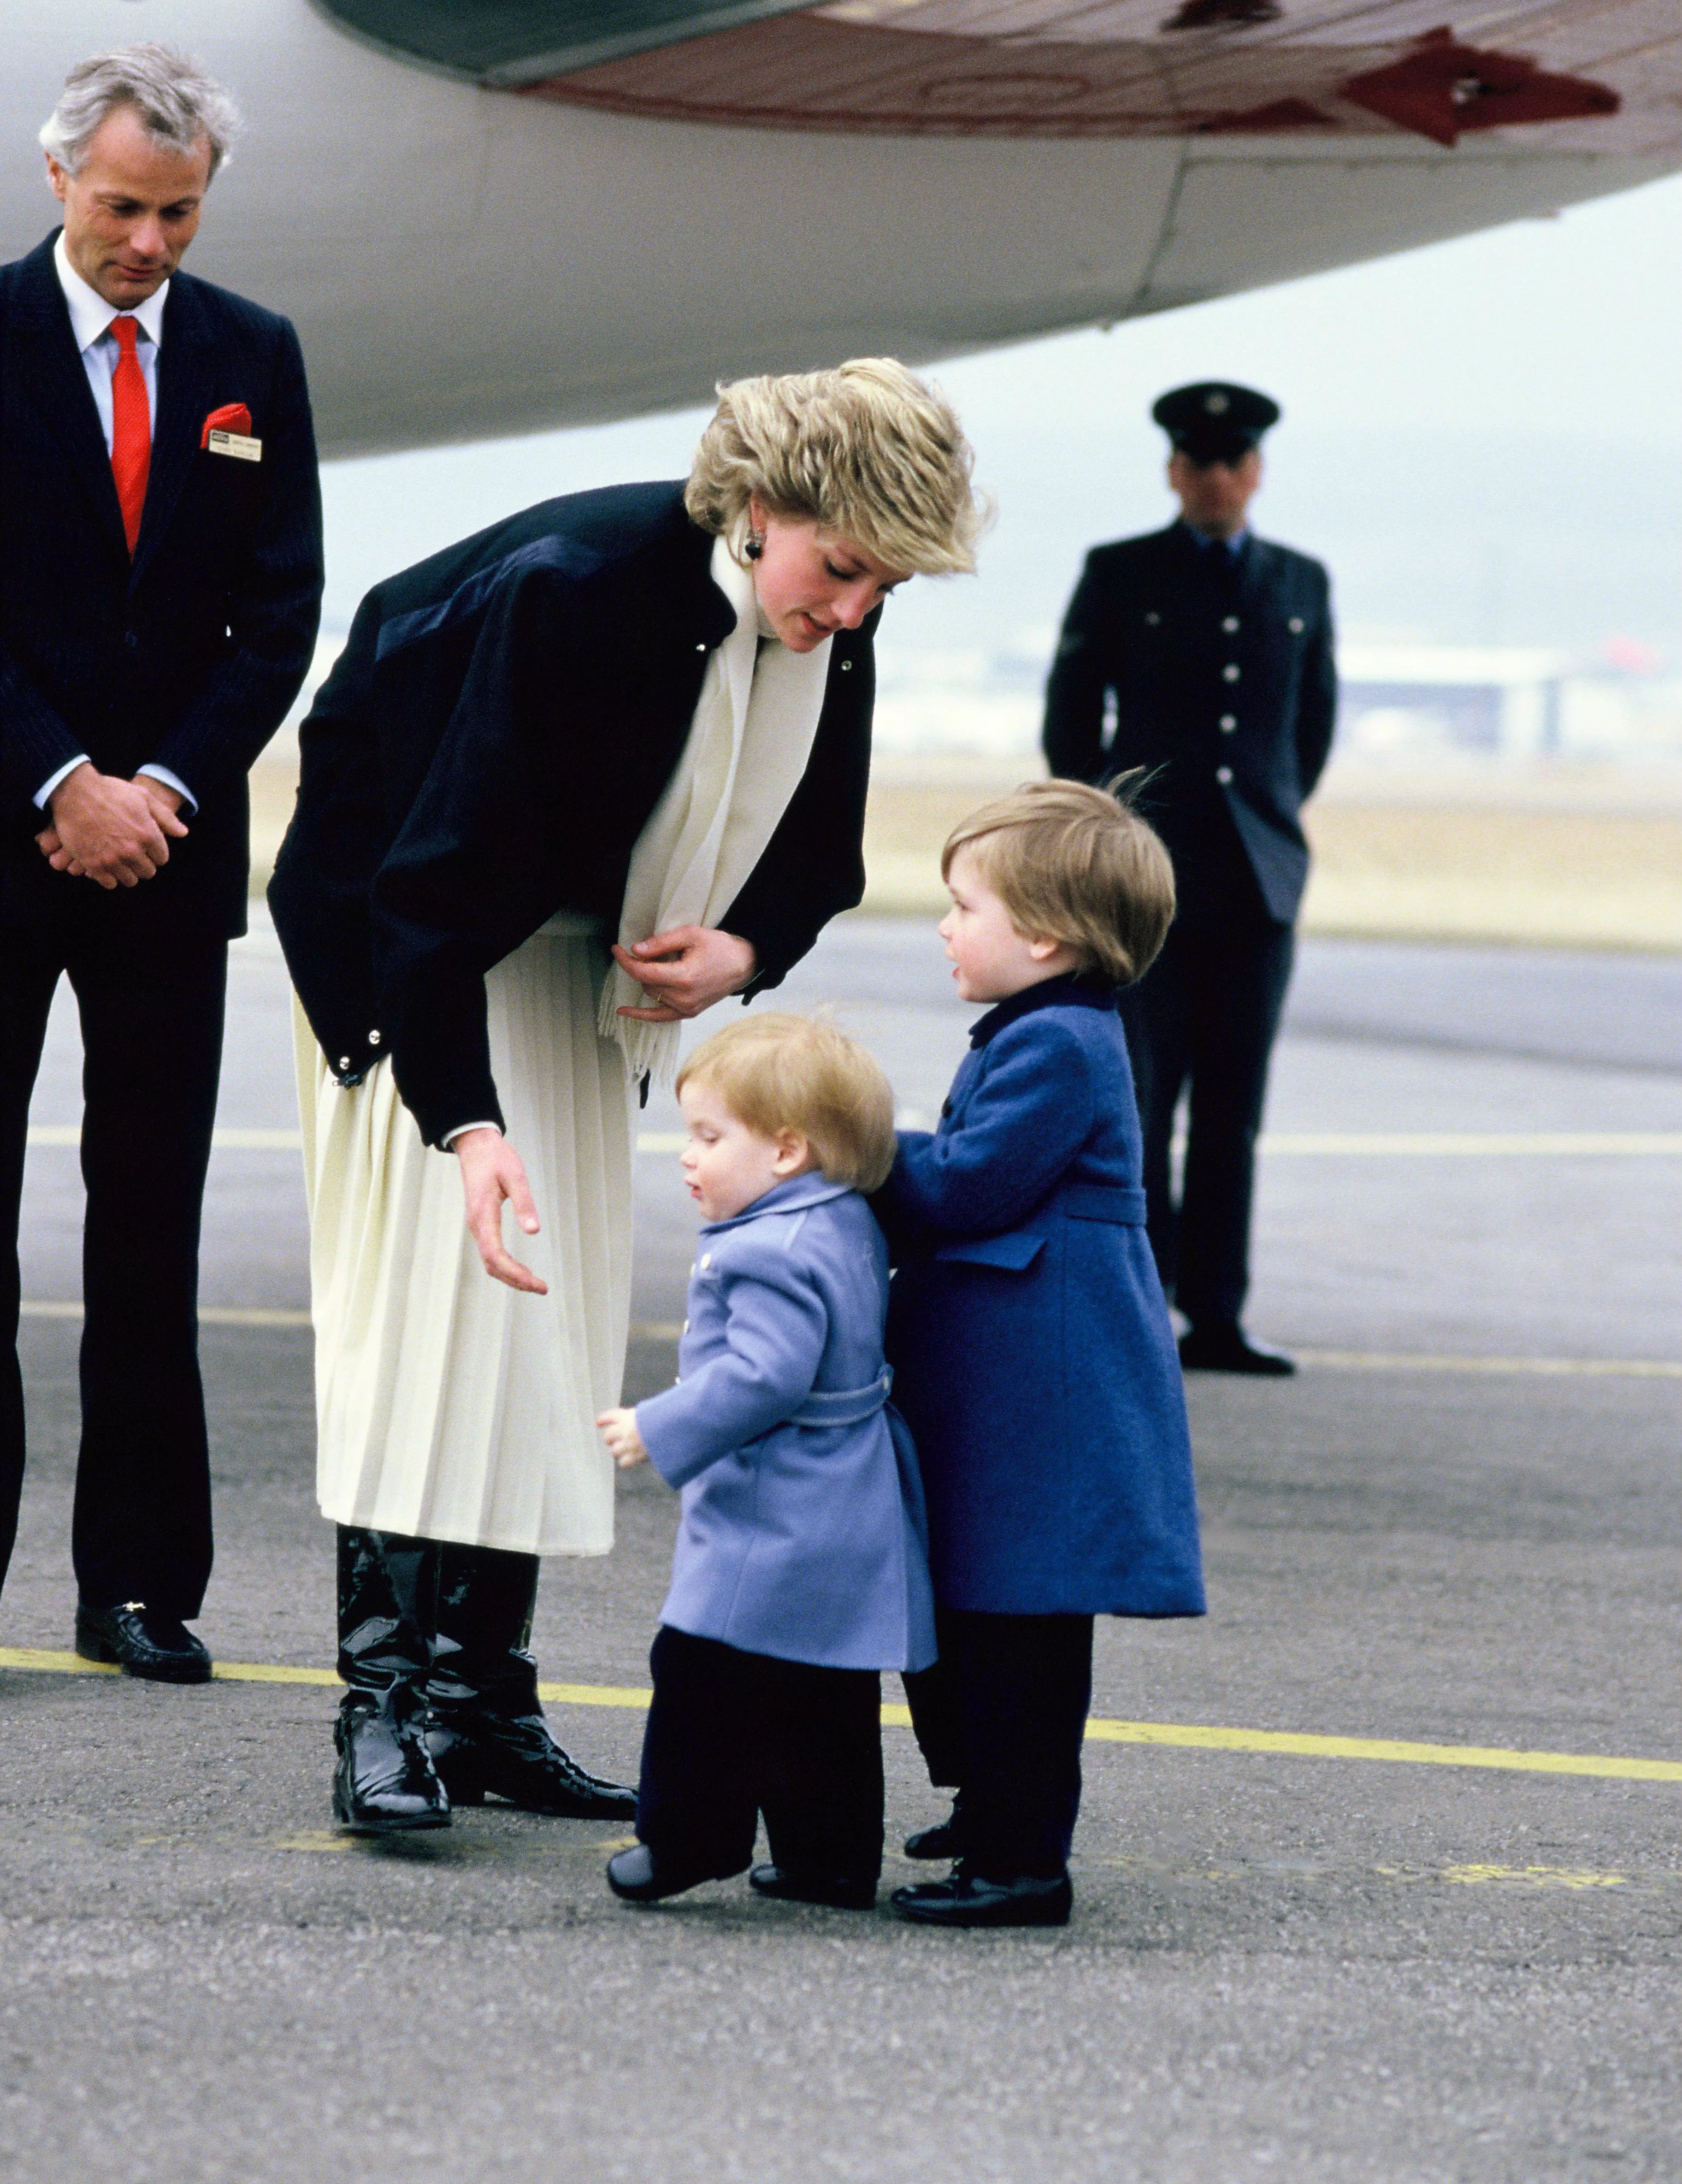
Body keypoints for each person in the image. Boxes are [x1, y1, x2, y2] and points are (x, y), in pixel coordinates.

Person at [267, 359, 981, 1835]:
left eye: (884, 587)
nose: (851, 610)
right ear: (763, 506)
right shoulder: (572, 594)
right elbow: (421, 890)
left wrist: (742, 945)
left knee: (552, 1314)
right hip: (407, 951)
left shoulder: (820, 618)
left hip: (575, 953)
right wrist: (460, 1124)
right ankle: (382, 1712)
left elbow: (822, 847)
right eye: (842, 568)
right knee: (433, 1314)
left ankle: (483, 1704)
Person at [0, 46, 323, 1677]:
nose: (148, 241)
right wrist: (60, 779)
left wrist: (166, 787)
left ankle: (136, 1583)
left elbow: (279, 619)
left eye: (178, 213)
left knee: (148, 1224)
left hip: (170, 858)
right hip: (8, 831)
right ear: (58, 179)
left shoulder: (250, 356)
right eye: (122, 206)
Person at [879, 781, 1205, 1929]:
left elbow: (967, 1188)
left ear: (1046, 936)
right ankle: (991, 1814)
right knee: (979, 1612)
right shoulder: (1044, 1027)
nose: (944, 926)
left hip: (1044, 1393)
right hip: (1011, 1381)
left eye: (964, 905)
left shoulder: (1060, 1044)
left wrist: (857, 1145)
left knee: (1021, 1629)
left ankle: (1024, 1861)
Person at [597, 1012, 934, 1909]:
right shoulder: (847, 1220)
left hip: (777, 1501)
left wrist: (659, 1427)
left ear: (787, 1151)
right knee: (822, 1689)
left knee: (702, 1670)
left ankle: (687, 1839)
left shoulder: (766, 1251)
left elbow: (764, 1376)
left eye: (709, 1136)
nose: (688, 1157)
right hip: (850, 1491)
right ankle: (831, 1858)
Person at [1042, 383, 1337, 1377]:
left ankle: (1217, 1315)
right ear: (1175, 471)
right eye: (1199, 462)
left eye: (1234, 461)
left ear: (1256, 472)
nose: (1217, 478)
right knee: (1140, 1098)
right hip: (1146, 886)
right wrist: (1097, 842)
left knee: (1232, 1111)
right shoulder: (1122, 573)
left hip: (1258, 887)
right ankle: (1139, 1310)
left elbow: (1310, 731)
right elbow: (1073, 719)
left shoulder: (1301, 582)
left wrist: (1274, 821)